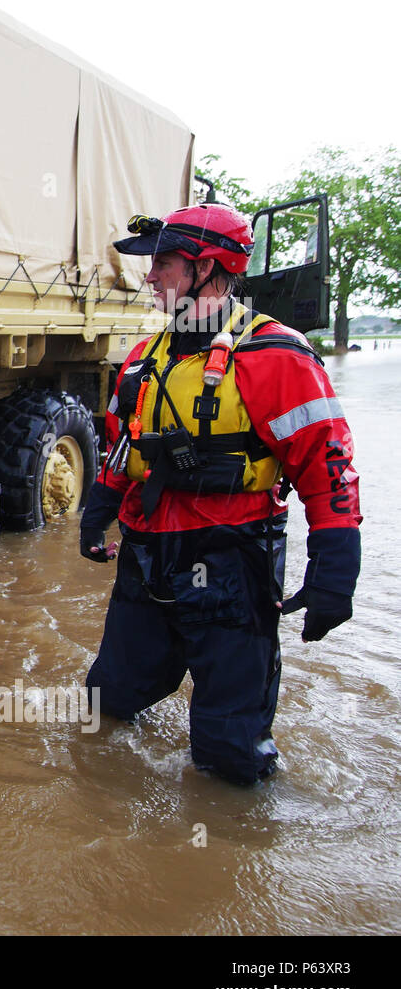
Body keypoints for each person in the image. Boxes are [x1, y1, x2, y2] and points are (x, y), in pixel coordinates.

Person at [80, 204, 362, 785]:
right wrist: (98, 511)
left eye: (164, 264)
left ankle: (231, 833)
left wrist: (335, 571)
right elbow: (119, 447)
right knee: (105, 705)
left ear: (208, 267)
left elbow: (327, 466)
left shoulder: (276, 357)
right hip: (147, 553)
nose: (150, 277)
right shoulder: (142, 360)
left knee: (230, 753)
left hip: (232, 555)